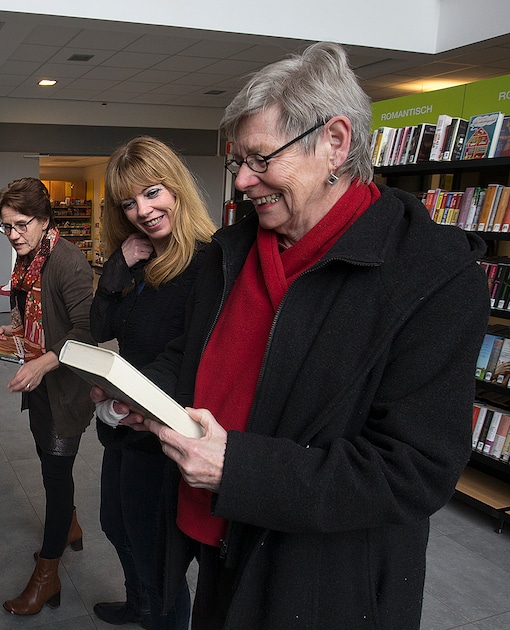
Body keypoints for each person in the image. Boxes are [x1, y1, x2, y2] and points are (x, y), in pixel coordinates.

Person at [99, 42, 490, 629]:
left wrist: (239, 470)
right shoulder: (228, 254)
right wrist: (142, 390)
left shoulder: (432, 276)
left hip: (322, 581)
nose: (242, 181)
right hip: (216, 541)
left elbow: (412, 470)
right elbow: (195, 353)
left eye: (259, 159)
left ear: (335, 142)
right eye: (236, 163)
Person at [90, 136, 216, 630]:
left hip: (160, 430)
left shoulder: (206, 261)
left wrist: (131, 399)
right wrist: (118, 265)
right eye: (129, 202)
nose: (143, 210)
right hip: (124, 421)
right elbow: (101, 330)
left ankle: (157, 614)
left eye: (153, 192)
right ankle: (138, 605)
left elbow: (190, 352)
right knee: (113, 524)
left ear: (177, 189)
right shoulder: (136, 262)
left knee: (156, 554)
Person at [0, 177, 96, 616]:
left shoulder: (68, 263)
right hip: (39, 386)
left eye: (20, 224)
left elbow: (87, 330)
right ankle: (69, 527)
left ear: (45, 219)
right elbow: (31, 315)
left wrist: (43, 361)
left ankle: (47, 577)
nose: (13, 234)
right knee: (48, 463)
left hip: (63, 389)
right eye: (6, 226)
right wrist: (10, 334)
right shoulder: (28, 259)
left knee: (55, 475)